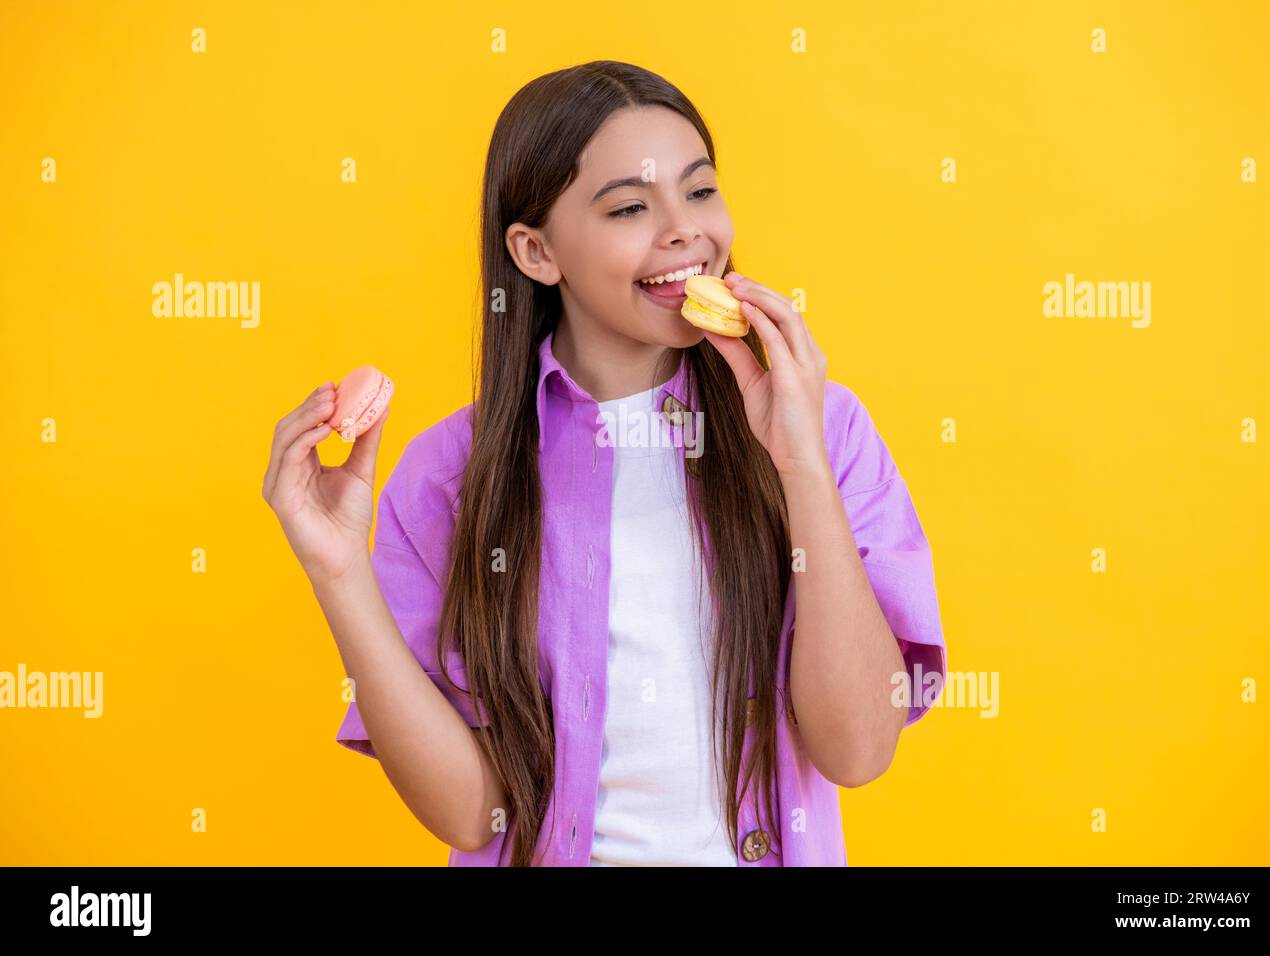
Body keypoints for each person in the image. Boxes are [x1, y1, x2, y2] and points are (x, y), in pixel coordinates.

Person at [262, 60, 947, 867]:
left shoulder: (825, 429)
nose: (685, 231)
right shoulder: (449, 475)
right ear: (536, 251)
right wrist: (338, 571)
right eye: (629, 207)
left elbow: (859, 751)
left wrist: (799, 465)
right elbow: (473, 818)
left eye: (699, 191)